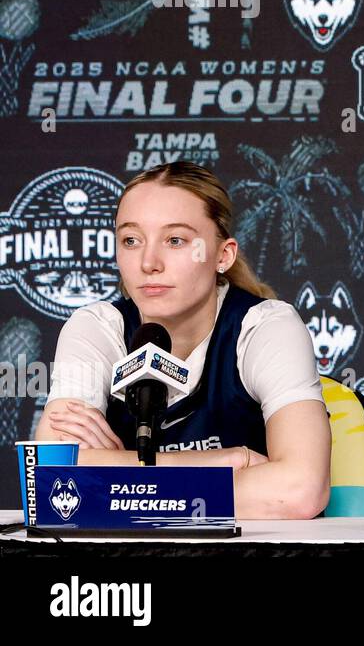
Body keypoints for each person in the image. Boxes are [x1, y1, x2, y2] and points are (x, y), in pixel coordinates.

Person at [34, 161, 331, 520]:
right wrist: (225, 461)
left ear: (223, 255)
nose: (148, 262)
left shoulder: (265, 326)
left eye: (175, 240)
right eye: (131, 240)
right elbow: (50, 482)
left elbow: (301, 491)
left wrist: (115, 475)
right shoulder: (96, 328)